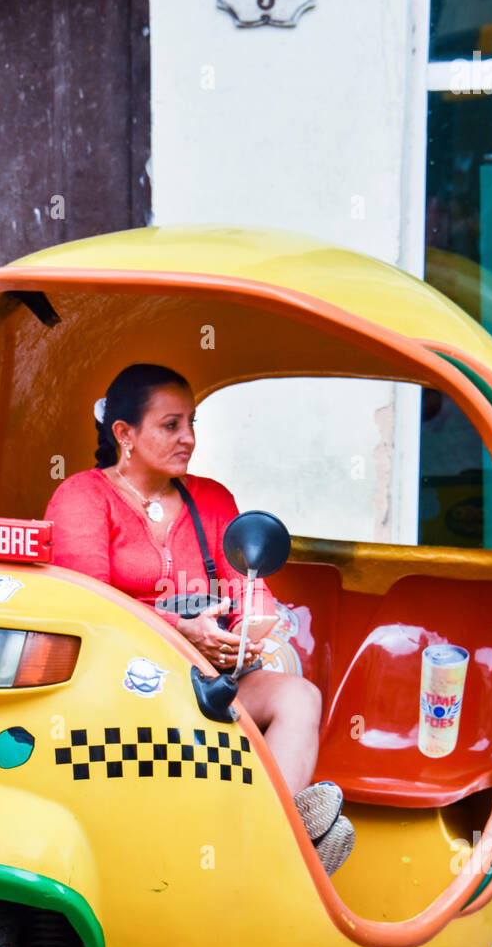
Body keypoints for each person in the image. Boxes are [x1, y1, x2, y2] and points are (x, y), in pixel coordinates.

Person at [44, 364, 355, 876]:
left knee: (299, 696)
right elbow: (88, 608)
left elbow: (244, 584)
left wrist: (253, 622)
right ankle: (292, 847)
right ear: (124, 433)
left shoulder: (210, 499)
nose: (188, 438)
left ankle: (263, 842)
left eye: (192, 422)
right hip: (118, 686)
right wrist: (177, 631)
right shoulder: (82, 497)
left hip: (206, 679)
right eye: (171, 425)